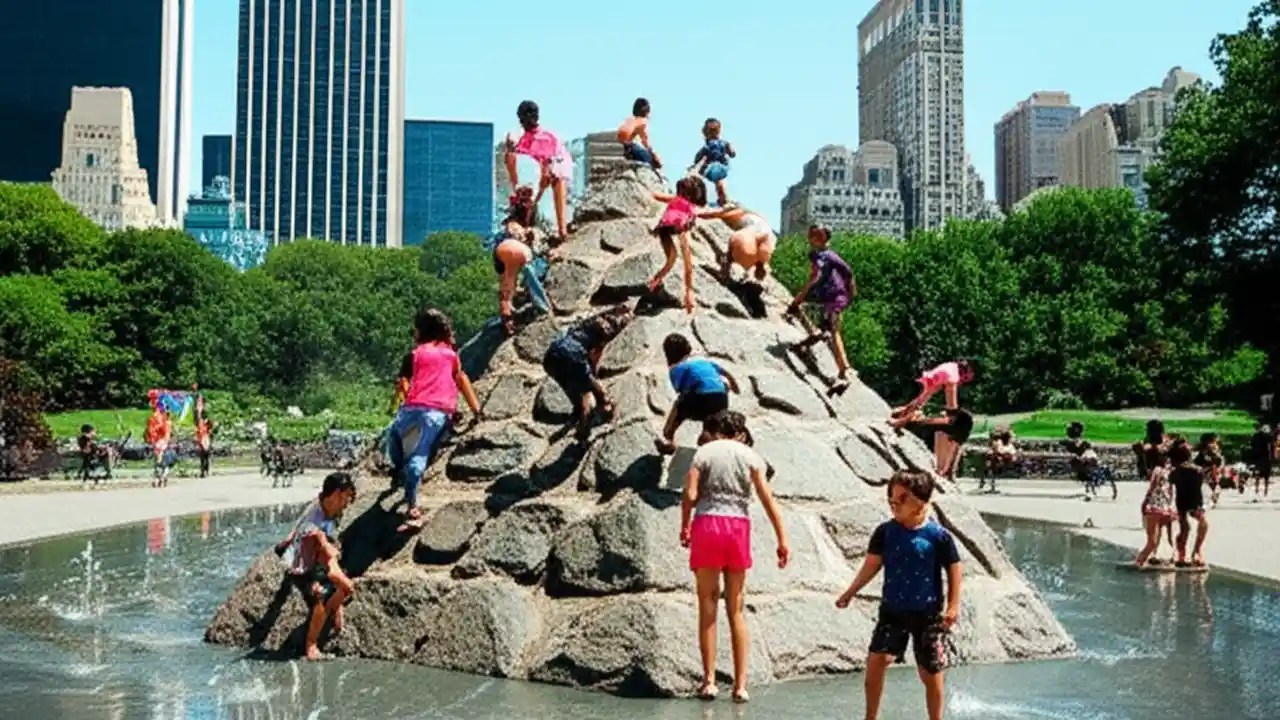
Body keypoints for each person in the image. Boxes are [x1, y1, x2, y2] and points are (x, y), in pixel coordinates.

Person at [679, 410, 788, 703]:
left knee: (707, 605)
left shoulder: (703, 453)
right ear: (739, 432)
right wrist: (782, 539)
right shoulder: (751, 456)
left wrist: (685, 525)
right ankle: (740, 686)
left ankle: (709, 681)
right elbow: (767, 499)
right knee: (736, 609)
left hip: (707, 525)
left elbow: (689, 494)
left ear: (714, 430)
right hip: (737, 527)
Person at [835, 471, 962, 720]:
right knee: (876, 660)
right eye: (891, 499)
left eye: (902, 499)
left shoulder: (938, 536)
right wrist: (851, 592)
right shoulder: (885, 532)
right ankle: (870, 717)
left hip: (928, 613)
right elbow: (872, 565)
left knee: (930, 672)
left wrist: (953, 605)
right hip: (893, 609)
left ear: (922, 501)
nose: (895, 505)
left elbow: (954, 569)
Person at [388, 308, 482, 528]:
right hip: (438, 414)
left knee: (396, 439)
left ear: (421, 331)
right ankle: (411, 501)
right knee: (418, 456)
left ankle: (407, 492)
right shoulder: (451, 354)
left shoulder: (414, 355)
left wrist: (398, 401)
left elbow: (402, 385)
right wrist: (476, 409)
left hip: (412, 411)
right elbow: (461, 379)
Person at [278, 472, 357, 661]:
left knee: (346, 587)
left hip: (319, 555)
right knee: (320, 595)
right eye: (346, 496)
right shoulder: (315, 517)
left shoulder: (332, 509)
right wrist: (333, 567)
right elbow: (317, 537)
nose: (348, 502)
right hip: (302, 562)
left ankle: (333, 607)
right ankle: (311, 646)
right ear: (337, 493)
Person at [542, 304, 635, 439]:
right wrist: (593, 379)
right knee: (595, 394)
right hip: (574, 354)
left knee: (569, 384)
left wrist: (617, 309)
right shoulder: (608, 332)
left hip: (552, 354)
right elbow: (595, 359)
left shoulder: (591, 321)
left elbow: (609, 310)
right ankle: (586, 422)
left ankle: (579, 409)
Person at [787, 225, 856, 395]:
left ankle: (844, 371)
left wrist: (851, 291)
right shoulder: (816, 255)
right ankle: (813, 336)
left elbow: (847, 272)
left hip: (836, 297)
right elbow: (813, 277)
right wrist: (799, 299)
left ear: (824, 238)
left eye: (817, 235)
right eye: (811, 234)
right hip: (826, 297)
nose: (812, 237)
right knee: (822, 323)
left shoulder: (829, 256)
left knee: (834, 331)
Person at [654, 333, 740, 455]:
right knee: (712, 425)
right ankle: (708, 441)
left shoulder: (676, 369)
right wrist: (734, 387)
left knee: (679, 405)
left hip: (700, 397)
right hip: (721, 398)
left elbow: (681, 390)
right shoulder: (703, 362)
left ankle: (668, 437)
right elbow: (724, 372)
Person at [504, 100, 573, 242]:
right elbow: (512, 163)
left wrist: (538, 194)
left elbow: (552, 168)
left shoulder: (548, 138)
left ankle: (562, 229)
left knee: (556, 178)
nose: (524, 122)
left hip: (554, 173)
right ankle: (527, 220)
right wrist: (516, 185)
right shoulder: (522, 139)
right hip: (538, 179)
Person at [493, 186, 553, 335]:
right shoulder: (527, 229)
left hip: (501, 250)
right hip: (520, 250)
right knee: (530, 267)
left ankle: (507, 319)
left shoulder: (507, 226)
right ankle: (542, 305)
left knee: (506, 287)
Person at [647, 176, 708, 314]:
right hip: (677, 224)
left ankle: (657, 281)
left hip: (666, 226)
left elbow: (657, 196)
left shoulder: (677, 200)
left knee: (672, 258)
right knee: (682, 258)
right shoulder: (689, 205)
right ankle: (686, 291)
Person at [698, 204, 777, 285]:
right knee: (758, 253)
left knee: (736, 244)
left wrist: (699, 214)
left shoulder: (738, 211)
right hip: (768, 237)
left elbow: (718, 213)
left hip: (754, 233)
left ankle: (726, 269)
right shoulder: (757, 219)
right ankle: (759, 265)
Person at [890, 359, 976, 429]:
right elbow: (952, 408)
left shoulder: (951, 365)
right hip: (922, 388)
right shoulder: (953, 378)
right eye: (969, 377)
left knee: (916, 408)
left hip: (921, 382)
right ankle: (900, 421)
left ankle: (900, 417)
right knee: (950, 420)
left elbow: (932, 388)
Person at [897, 407, 973, 480]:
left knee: (951, 438)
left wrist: (943, 468)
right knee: (952, 438)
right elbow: (952, 446)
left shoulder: (925, 423)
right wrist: (944, 468)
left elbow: (952, 446)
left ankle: (947, 471)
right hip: (929, 428)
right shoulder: (923, 424)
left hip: (929, 428)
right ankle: (947, 471)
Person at [1169, 440, 1209, 567]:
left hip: (1182, 500)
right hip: (1195, 500)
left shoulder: (1175, 471)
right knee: (1202, 524)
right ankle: (1196, 551)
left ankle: (1181, 554)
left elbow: (1172, 483)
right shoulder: (1196, 470)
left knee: (1185, 528)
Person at [1134, 450, 1176, 566]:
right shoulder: (1167, 470)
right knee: (1158, 537)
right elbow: (1163, 487)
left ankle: (1143, 560)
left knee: (1154, 539)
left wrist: (1146, 500)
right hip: (1163, 507)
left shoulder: (1161, 470)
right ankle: (1147, 558)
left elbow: (1154, 485)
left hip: (1157, 507)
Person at [689, 118, 736, 207]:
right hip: (709, 167)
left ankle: (723, 201)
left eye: (712, 131)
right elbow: (699, 156)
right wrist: (695, 164)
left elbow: (732, 152)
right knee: (697, 178)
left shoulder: (723, 143)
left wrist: (731, 151)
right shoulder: (707, 146)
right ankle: (697, 197)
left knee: (718, 179)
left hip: (720, 166)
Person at [617, 97, 662, 170]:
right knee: (651, 161)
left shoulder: (629, 120)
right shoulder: (642, 122)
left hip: (623, 144)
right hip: (629, 146)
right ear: (646, 111)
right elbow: (645, 142)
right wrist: (654, 156)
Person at [145, 407, 174, 488]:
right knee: (165, 464)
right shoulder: (167, 423)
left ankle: (158, 478)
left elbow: (154, 432)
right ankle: (161, 477)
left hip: (160, 444)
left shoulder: (163, 423)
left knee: (158, 463)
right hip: (163, 444)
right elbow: (168, 434)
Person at [1194, 432, 1224, 508]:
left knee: (1210, 484)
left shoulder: (1203, 446)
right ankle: (1213, 499)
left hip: (1204, 467)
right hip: (1210, 467)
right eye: (1216, 438)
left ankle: (1210, 499)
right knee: (1214, 484)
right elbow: (1215, 459)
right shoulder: (1212, 447)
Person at [1249, 423, 1274, 501]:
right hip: (1265, 458)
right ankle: (1265, 492)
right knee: (1265, 476)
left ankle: (1257, 491)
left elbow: (1252, 446)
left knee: (1258, 475)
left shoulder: (1256, 436)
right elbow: (1271, 447)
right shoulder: (1268, 437)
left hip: (1259, 458)